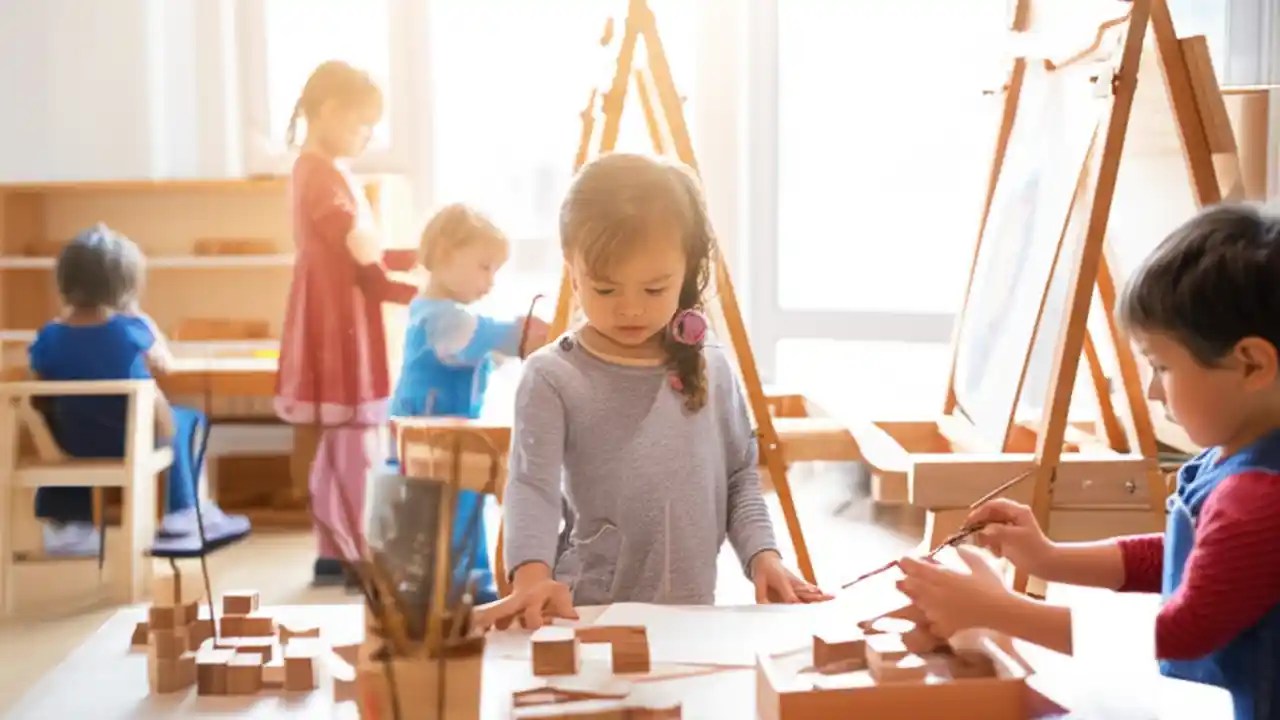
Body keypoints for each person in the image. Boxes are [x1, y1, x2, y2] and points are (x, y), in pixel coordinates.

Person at [898, 205, 1280, 720]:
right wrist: (1050, 558)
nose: (1152, 390)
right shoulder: (1241, 461)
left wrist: (1001, 612)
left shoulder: (1259, 500)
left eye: (1162, 366)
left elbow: (1180, 634)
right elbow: (1189, 558)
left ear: (1252, 364)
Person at [486, 153, 829, 629]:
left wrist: (762, 556)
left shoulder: (711, 363)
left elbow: (738, 478)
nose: (630, 309)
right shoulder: (551, 375)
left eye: (654, 290)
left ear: (686, 272)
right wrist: (531, 577)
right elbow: (532, 488)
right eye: (606, 290)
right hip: (584, 614)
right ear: (572, 271)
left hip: (692, 615)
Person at [273, 60, 421, 586]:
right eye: (362, 124)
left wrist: (410, 259)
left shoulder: (326, 170)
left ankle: (338, 548)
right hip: (336, 320)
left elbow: (366, 252)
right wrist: (410, 284)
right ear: (330, 112)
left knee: (346, 441)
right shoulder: (318, 172)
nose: (366, 137)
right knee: (354, 440)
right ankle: (359, 550)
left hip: (340, 311)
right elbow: (356, 247)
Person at [29, 224, 249, 555]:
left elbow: (38, 382)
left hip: (71, 444)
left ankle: (69, 526)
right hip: (131, 441)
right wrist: (139, 316)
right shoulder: (130, 330)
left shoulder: (48, 337)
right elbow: (165, 365)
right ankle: (184, 514)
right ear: (127, 285)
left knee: (68, 423)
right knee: (189, 421)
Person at [385, 203, 548, 604]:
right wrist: (527, 334)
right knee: (445, 517)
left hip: (446, 437)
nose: (490, 281)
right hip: (430, 437)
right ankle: (450, 588)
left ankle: (468, 583)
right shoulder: (443, 317)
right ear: (444, 257)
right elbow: (482, 338)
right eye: (484, 267)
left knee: (463, 509)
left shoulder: (445, 314)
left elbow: (487, 348)